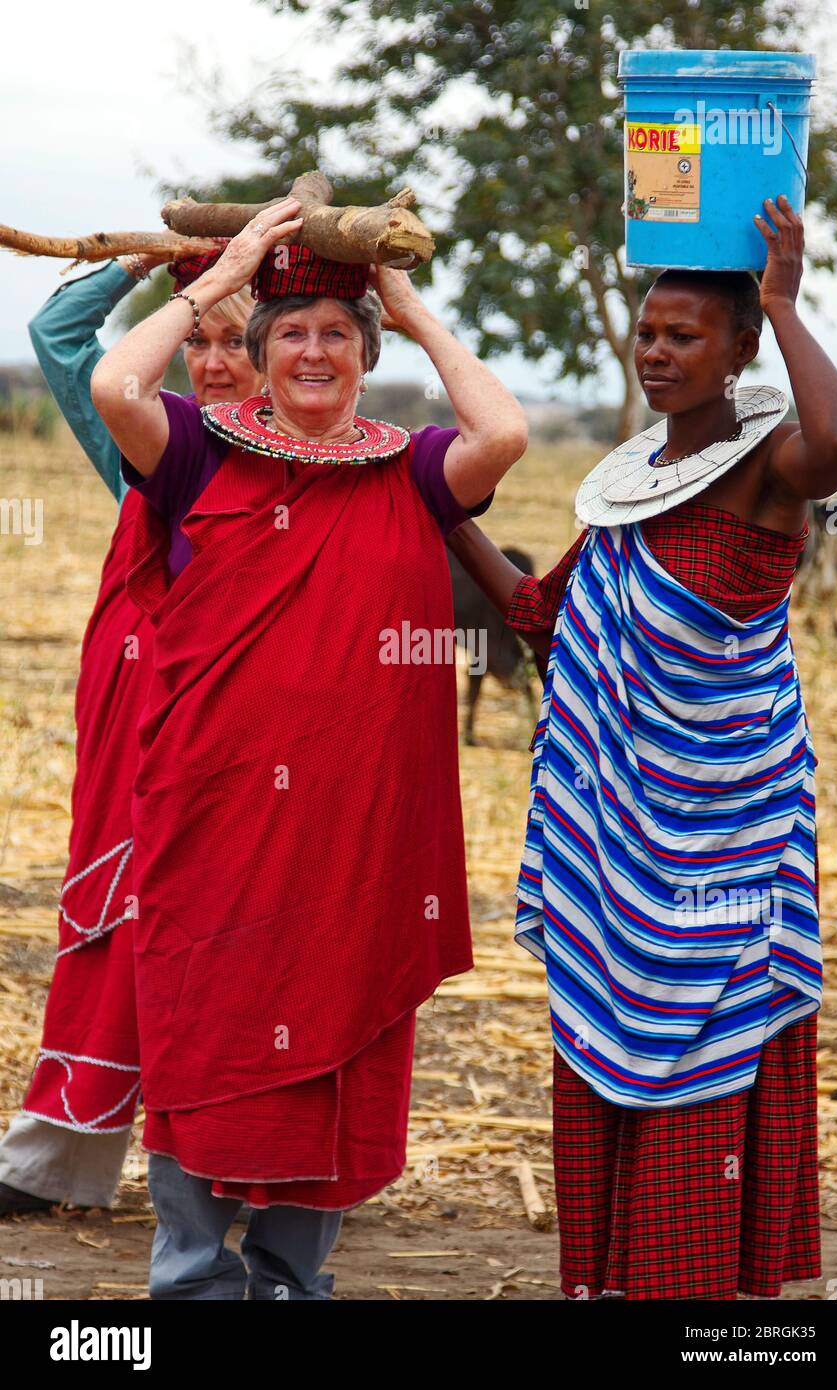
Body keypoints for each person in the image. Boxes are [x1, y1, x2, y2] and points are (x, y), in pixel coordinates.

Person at [89, 193, 528, 1300]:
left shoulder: (413, 472)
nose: (313, 351)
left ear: (366, 351)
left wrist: (408, 301)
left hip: (356, 840)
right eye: (290, 332)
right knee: (204, 1032)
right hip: (217, 822)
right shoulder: (194, 455)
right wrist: (227, 265)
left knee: (336, 1036)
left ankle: (292, 1280)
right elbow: (112, 385)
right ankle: (192, 1279)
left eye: (337, 332)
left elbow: (506, 434)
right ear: (257, 349)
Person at [447, 194, 837, 1299]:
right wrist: (436, 509)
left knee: (702, 1113)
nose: (655, 351)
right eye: (646, 332)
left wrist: (779, 295)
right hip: (614, 871)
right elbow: (543, 618)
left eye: (684, 335)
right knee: (613, 1104)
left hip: (725, 868)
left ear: (737, 349)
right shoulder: (629, 491)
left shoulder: (767, 471)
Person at [0, 246, 261, 1217]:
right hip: (142, 750)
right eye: (196, 338)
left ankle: (246, 1171)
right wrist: (154, 265)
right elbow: (58, 339)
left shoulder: (312, 465)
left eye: (236, 339)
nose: (212, 360)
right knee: (113, 933)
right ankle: (53, 1162)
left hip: (250, 757)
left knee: (240, 952)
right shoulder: (155, 450)